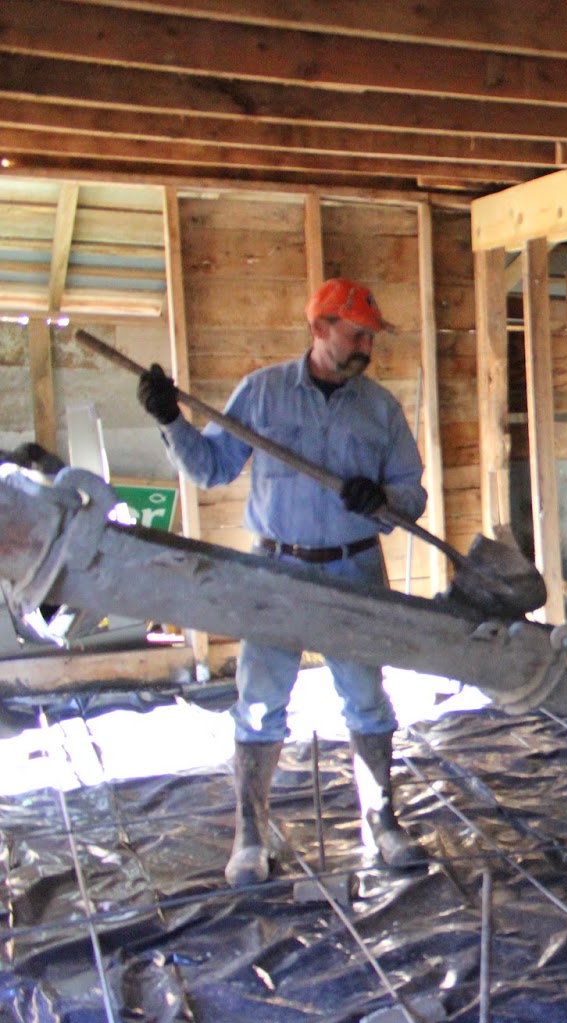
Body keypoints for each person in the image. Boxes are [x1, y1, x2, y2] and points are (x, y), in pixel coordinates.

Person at [138, 278, 429, 886]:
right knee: (262, 705)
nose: (365, 349)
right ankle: (250, 836)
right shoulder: (263, 394)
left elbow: (411, 492)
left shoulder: (379, 410)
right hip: (278, 572)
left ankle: (382, 821)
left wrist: (383, 500)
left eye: (370, 338)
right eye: (355, 335)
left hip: (354, 570)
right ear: (320, 328)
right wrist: (171, 420)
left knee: (367, 700)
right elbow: (211, 468)